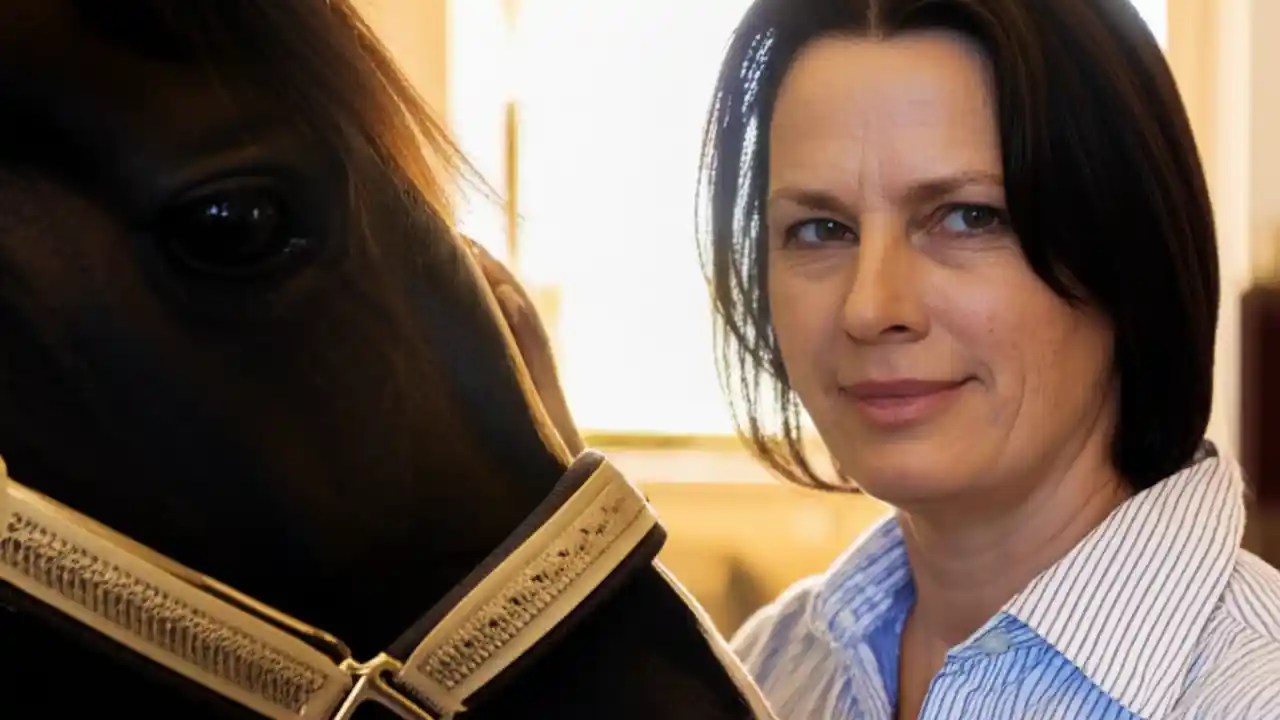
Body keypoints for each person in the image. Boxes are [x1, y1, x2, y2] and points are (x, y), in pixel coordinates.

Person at [475, 0, 1280, 716]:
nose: (870, 307)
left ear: (1128, 251)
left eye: (967, 217)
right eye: (820, 230)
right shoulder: (778, 664)